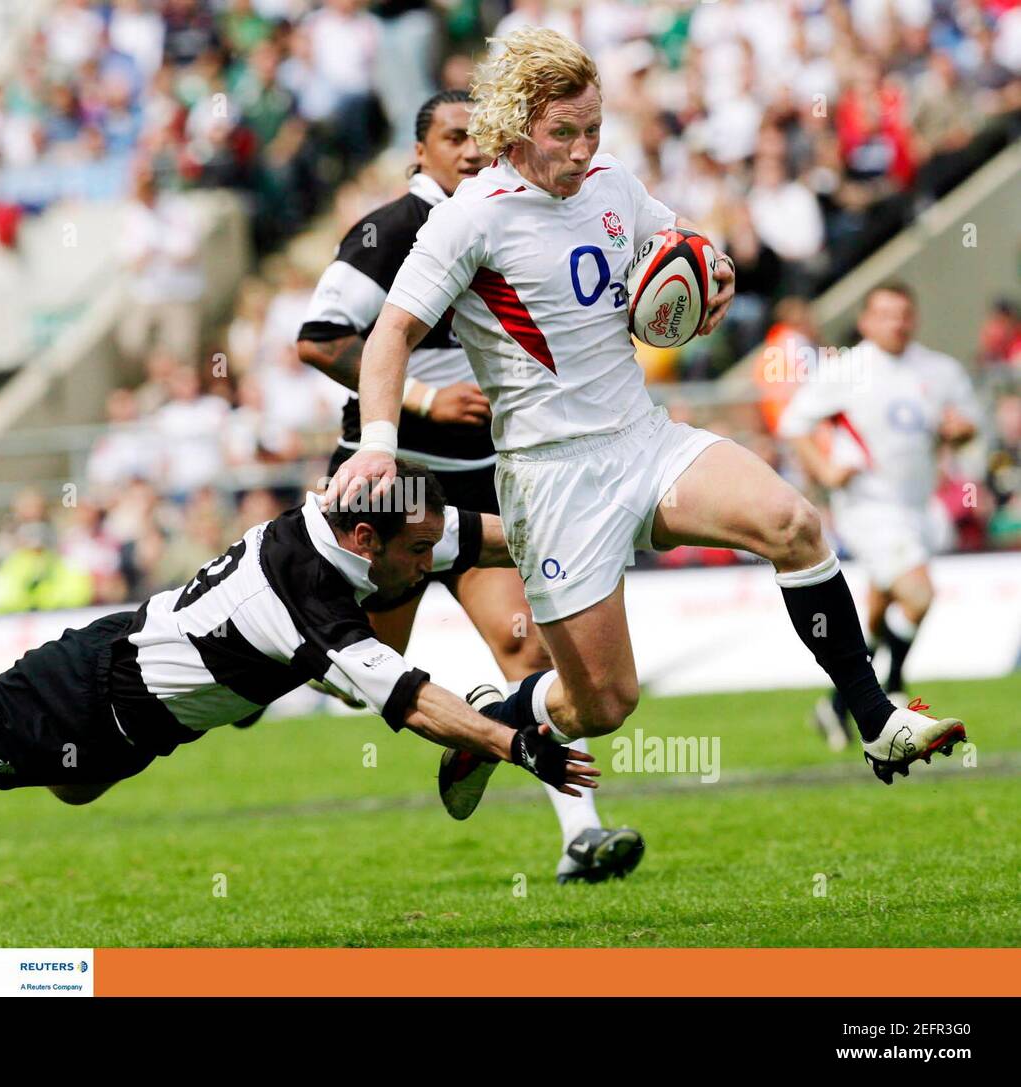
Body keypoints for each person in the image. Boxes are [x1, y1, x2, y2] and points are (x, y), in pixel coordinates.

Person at [324, 28, 966, 788]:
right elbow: (389, 333)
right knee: (604, 702)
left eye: (592, 129)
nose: (580, 149)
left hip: (644, 440)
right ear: (518, 127)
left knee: (791, 522)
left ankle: (877, 721)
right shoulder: (472, 217)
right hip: (551, 479)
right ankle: (498, 720)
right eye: (563, 133)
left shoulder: (611, 183)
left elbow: (680, 246)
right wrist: (377, 443)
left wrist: (713, 272)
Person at [0, 462, 594, 811]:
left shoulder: (355, 523)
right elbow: (410, 701)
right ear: (366, 542)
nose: (426, 565)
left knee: (71, 783)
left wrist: (617, 525)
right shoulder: (313, 598)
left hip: (125, 705)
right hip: (86, 703)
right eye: (414, 555)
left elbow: (470, 535)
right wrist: (519, 743)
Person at [298, 89, 642, 884]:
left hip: (484, 485)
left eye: (479, 138)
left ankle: (579, 834)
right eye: (452, 138)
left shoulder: (509, 217)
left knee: (526, 645)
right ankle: (240, 662)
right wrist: (422, 399)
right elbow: (319, 341)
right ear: (418, 153)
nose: (469, 151)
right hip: (392, 502)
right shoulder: (391, 229)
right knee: (361, 675)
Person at [777, 283, 981, 749]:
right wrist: (827, 469)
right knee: (919, 592)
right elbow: (794, 424)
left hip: (917, 505)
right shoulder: (848, 369)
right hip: (869, 505)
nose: (897, 322)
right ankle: (893, 687)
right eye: (885, 314)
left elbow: (967, 427)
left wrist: (961, 431)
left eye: (904, 313)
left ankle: (834, 706)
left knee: (879, 610)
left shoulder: (939, 370)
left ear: (915, 318)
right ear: (866, 321)